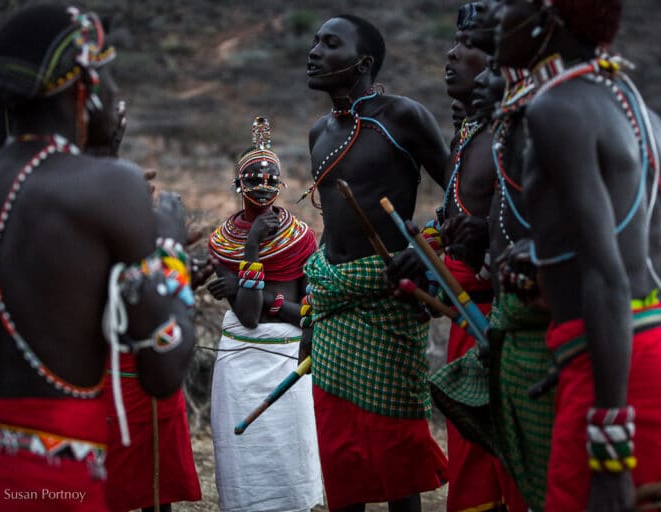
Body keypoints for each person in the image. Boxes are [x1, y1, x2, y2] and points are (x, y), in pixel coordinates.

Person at [496, 1, 661, 511]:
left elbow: (606, 273)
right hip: (654, 355)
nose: (502, 15)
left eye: (514, 5)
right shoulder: (640, 109)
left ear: (547, 19)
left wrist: (611, 447)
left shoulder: (556, 108)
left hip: (619, 379)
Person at [0, 5, 195, 511]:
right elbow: (163, 369)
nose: (114, 88)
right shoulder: (111, 187)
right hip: (56, 479)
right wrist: (171, 251)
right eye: (107, 70)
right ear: (84, 83)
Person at [300, 13, 450, 512]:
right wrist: (310, 313)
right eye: (315, 40)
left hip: (387, 297)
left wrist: (424, 248)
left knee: (395, 453)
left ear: (362, 63)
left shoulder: (403, 117)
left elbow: (460, 194)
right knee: (341, 454)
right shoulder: (320, 131)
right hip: (333, 302)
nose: (314, 50)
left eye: (329, 43)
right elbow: (333, 226)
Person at [390, 5, 525, 512]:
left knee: (512, 466)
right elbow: (454, 223)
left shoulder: (519, 136)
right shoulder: (470, 133)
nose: (452, 53)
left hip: (505, 325)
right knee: (473, 463)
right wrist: (424, 253)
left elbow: (530, 232)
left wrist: (484, 237)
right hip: (469, 324)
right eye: (456, 41)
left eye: (469, 44)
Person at [207, 116, 323, 512]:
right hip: (239, 362)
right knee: (244, 461)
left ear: (281, 184)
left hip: (286, 358)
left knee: (289, 463)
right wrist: (252, 246)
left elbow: (308, 313)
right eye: (253, 178)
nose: (263, 186)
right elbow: (250, 318)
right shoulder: (223, 243)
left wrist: (247, 290)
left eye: (270, 178)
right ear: (238, 185)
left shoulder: (302, 238)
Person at [102, 106, 202, 512]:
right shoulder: (101, 249)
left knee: (158, 482)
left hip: (157, 376)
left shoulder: (154, 255)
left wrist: (180, 275)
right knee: (119, 473)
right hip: (115, 380)